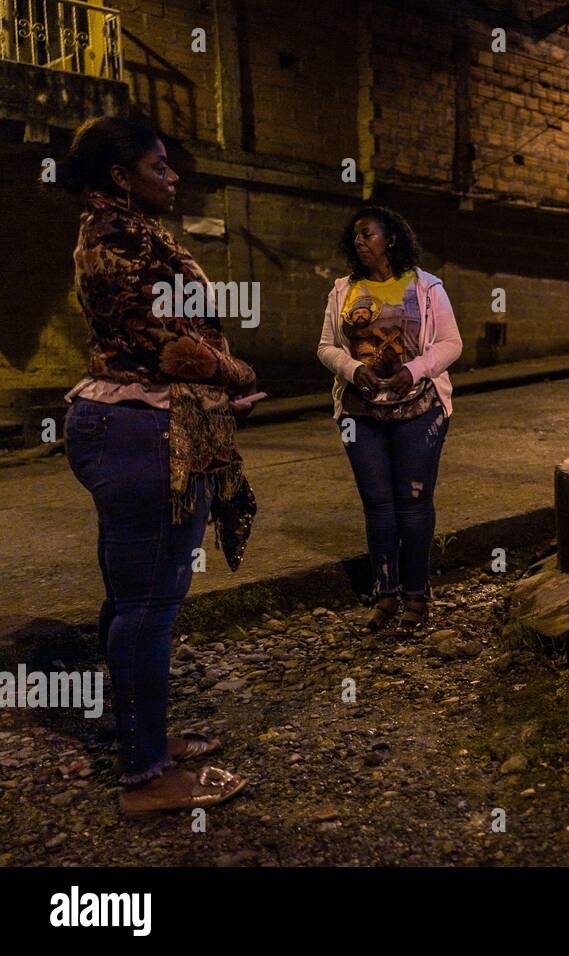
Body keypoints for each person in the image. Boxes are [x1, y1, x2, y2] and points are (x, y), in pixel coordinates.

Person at [59, 116, 257, 813]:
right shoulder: (117, 236)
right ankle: (145, 778)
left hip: (135, 422)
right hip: (143, 429)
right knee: (146, 607)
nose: (173, 177)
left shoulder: (128, 231)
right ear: (122, 175)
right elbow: (176, 351)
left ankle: (147, 741)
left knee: (135, 600)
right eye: (159, 166)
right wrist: (236, 371)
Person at [318, 207, 461, 633]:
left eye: (369, 234)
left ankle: (416, 594)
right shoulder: (342, 290)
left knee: (413, 504)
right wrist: (351, 369)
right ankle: (386, 594)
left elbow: (451, 344)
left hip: (419, 410)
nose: (360, 242)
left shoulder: (426, 287)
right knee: (377, 506)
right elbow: (326, 345)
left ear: (392, 239)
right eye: (356, 236)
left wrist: (415, 371)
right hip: (361, 413)